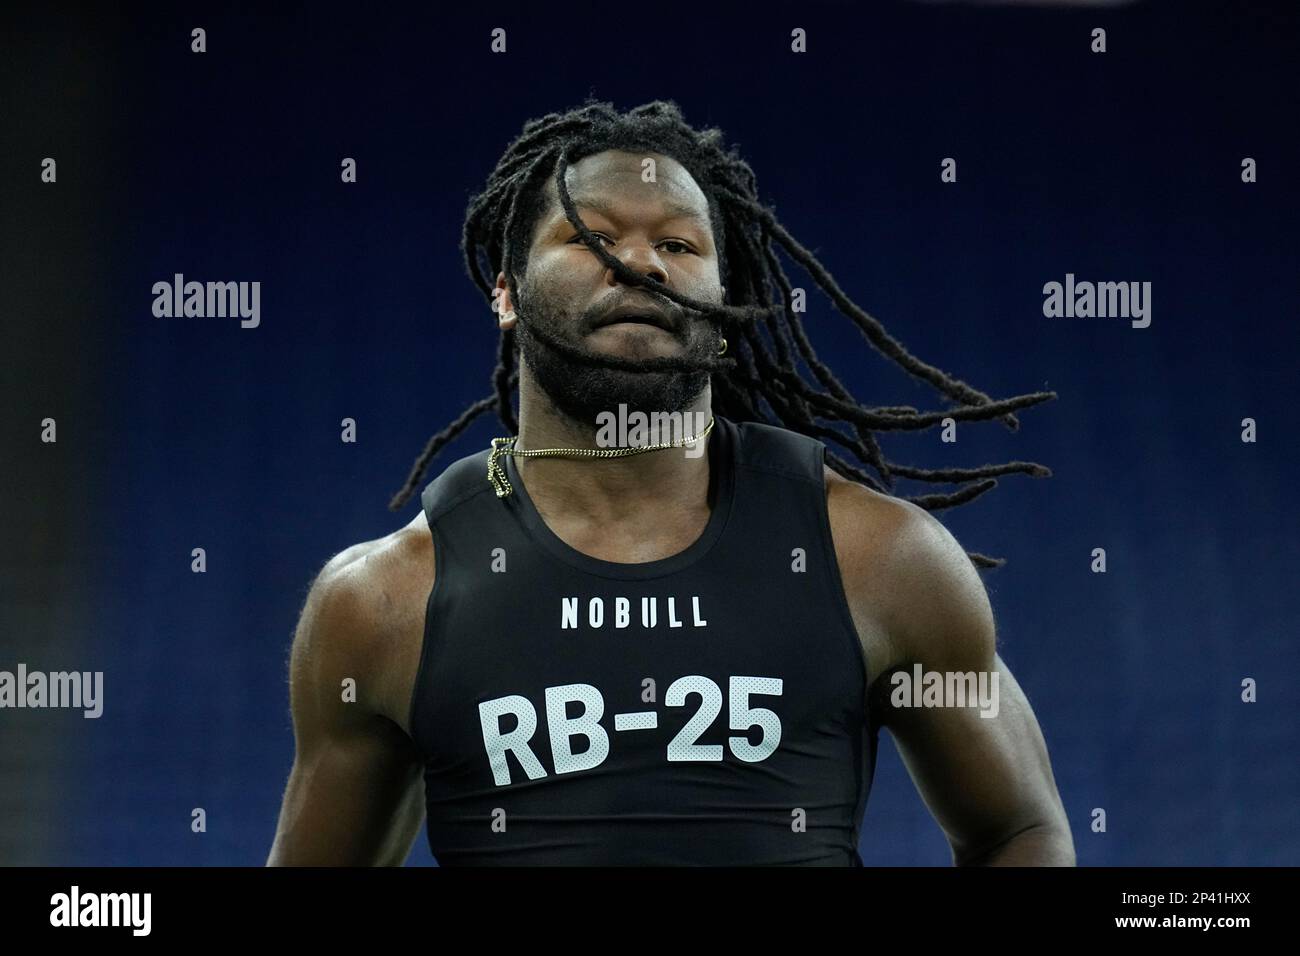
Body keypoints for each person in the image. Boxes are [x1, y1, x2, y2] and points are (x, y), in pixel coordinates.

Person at [267, 100, 1073, 866]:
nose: (640, 261)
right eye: (592, 236)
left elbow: (1021, 830)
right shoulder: (383, 602)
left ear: (722, 305)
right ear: (505, 294)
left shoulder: (879, 556)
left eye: (681, 245)